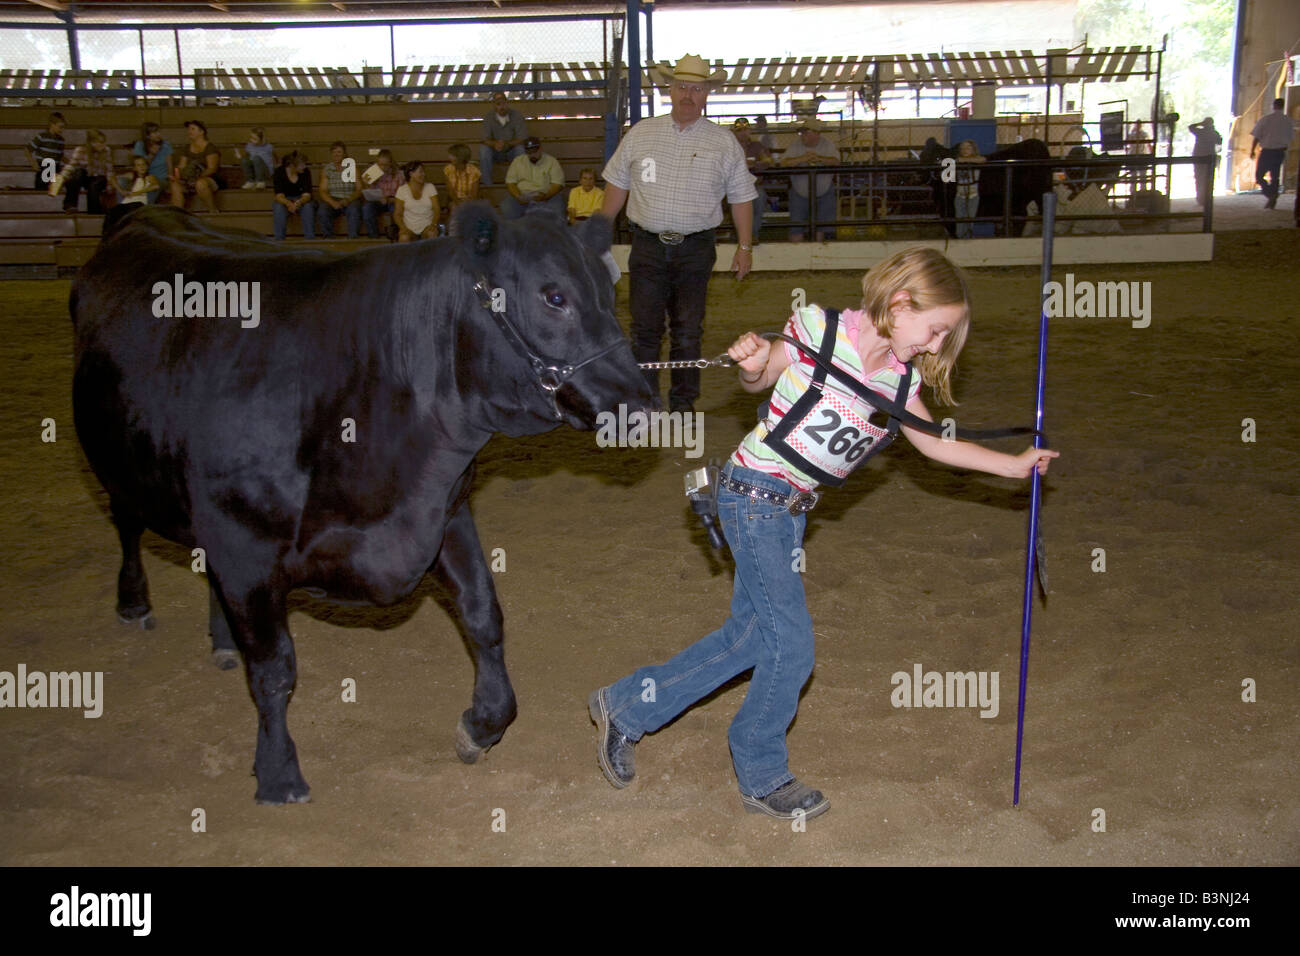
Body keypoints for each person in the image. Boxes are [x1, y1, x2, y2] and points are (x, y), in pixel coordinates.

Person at [588, 247, 1059, 820]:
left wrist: (1011, 465)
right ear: (901, 303)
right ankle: (761, 770)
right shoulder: (820, 329)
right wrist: (752, 359)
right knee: (793, 646)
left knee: (751, 639)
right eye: (936, 330)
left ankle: (627, 705)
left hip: (790, 512)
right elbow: (760, 377)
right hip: (751, 495)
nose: (936, 346)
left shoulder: (896, 378)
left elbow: (935, 443)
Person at [600, 53, 757, 415]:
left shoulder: (724, 142)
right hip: (648, 245)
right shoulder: (641, 134)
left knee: (688, 330)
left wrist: (745, 246)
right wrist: (598, 233)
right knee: (644, 330)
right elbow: (617, 185)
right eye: (682, 86)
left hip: (696, 248)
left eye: (697, 89)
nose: (688, 94)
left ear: (707, 94)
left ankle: (683, 402)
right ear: (669, 89)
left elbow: (742, 196)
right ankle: (645, 401)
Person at [780, 118, 839, 242]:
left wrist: (819, 158)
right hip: (799, 191)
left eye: (806, 133)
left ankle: (820, 254)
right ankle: (796, 255)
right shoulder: (796, 145)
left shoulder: (827, 144)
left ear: (816, 133)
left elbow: (836, 161)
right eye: (802, 133)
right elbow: (784, 163)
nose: (803, 136)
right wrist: (802, 159)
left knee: (822, 227)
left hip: (824, 190)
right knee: (796, 226)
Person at [501, 136, 566, 219]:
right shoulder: (518, 161)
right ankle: (514, 230)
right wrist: (518, 196)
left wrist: (546, 196)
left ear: (540, 149)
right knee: (506, 206)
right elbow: (510, 182)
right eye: (529, 152)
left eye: (534, 152)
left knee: (558, 209)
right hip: (523, 197)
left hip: (547, 197)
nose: (532, 155)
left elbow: (558, 184)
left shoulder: (552, 161)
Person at [169, 119, 222, 213]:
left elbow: (212, 169)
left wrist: (196, 178)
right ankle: (178, 214)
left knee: (200, 184)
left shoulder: (210, 148)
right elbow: (181, 166)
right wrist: (178, 176)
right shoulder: (186, 148)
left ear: (201, 132)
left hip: (208, 179)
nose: (189, 131)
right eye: (189, 129)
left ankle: (213, 210)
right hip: (190, 180)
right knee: (175, 185)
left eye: (193, 129)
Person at [1250, 98, 1295, 209]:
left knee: (1259, 176)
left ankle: (1270, 195)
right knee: (1275, 177)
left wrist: (1252, 150)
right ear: (1283, 106)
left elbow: (1257, 136)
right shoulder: (1288, 121)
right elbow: (1290, 138)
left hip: (1267, 151)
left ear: (1273, 106)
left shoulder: (1266, 119)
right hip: (1280, 152)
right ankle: (1272, 199)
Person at [732, 118, 772, 239]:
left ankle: (751, 235)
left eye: (745, 130)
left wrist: (755, 164)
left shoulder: (757, 146)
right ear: (734, 132)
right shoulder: (729, 148)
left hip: (754, 185)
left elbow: (768, 160)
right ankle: (740, 235)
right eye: (739, 130)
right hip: (734, 186)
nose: (743, 133)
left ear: (750, 131)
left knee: (760, 198)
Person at [61, 129, 116, 214]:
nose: (103, 145)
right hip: (87, 177)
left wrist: (110, 185)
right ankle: (70, 205)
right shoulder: (81, 150)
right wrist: (61, 177)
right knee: (77, 173)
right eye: (100, 142)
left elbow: (109, 170)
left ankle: (93, 211)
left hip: (99, 178)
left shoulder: (106, 151)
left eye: (103, 142)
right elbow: (71, 166)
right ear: (92, 142)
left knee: (94, 186)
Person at [479, 92, 529, 186]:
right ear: (494, 105)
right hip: (495, 152)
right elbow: (485, 139)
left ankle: (521, 184)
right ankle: (487, 185)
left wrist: (506, 143)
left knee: (521, 150)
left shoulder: (517, 116)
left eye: (503, 103)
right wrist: (495, 144)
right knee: (484, 150)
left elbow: (522, 138)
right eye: (498, 104)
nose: (502, 107)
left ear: (507, 103)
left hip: (511, 151)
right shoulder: (488, 117)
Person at [317, 141, 363, 237]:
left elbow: (359, 189)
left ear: (345, 154)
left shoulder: (353, 168)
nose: (336, 155)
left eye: (339, 152)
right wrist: (332, 202)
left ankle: (353, 238)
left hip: (350, 199)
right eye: (334, 152)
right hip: (333, 198)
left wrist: (348, 200)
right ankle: (328, 238)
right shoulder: (327, 169)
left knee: (354, 209)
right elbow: (323, 191)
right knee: (323, 210)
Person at [271, 151, 316, 240]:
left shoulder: (306, 172)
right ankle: (279, 240)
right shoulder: (279, 172)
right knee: (278, 207)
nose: (304, 167)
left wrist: (298, 203)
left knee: (308, 207)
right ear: (292, 165)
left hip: (301, 199)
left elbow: (307, 195)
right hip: (285, 199)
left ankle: (310, 238)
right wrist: (289, 204)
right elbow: (279, 195)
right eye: (302, 165)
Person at [363, 148, 406, 239]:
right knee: (367, 208)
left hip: (393, 200)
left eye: (385, 165)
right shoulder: (373, 173)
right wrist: (367, 183)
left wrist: (389, 199)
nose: (383, 168)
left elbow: (403, 197)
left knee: (396, 209)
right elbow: (369, 191)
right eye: (380, 165)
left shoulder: (399, 174)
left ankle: (396, 235)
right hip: (378, 200)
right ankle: (373, 236)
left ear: (390, 163)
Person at [394, 160, 439, 241]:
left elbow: (436, 209)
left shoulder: (430, 187)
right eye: (420, 172)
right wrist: (403, 228)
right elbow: (397, 214)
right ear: (411, 174)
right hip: (409, 228)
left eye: (424, 172)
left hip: (427, 227)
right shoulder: (402, 190)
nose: (424, 174)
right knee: (404, 237)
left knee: (432, 234)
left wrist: (433, 224)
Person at [442, 143, 481, 233]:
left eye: (452, 155)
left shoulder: (474, 171)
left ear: (460, 157)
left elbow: (474, 194)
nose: (449, 157)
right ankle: (453, 236)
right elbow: (450, 191)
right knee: (454, 208)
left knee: (469, 210)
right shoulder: (448, 169)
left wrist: (465, 203)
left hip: (470, 200)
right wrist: (458, 202)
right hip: (454, 200)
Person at [953, 139, 986, 238]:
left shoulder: (977, 160)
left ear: (973, 149)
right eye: (962, 148)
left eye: (968, 147)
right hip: (960, 194)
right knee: (959, 220)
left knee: (970, 220)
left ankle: (968, 238)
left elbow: (983, 160)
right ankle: (960, 238)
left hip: (973, 194)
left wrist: (963, 160)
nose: (965, 150)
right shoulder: (957, 161)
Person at [131, 122, 172, 204]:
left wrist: (170, 182)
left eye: (158, 132)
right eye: (155, 132)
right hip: (143, 177)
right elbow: (140, 166)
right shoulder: (140, 145)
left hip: (160, 178)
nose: (158, 134)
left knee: (152, 186)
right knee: (121, 181)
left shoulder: (165, 145)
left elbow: (169, 165)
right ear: (147, 135)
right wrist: (151, 155)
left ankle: (146, 208)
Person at [25, 111, 66, 191]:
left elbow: (60, 156)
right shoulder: (42, 137)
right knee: (42, 186)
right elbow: (27, 150)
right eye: (60, 127)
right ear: (52, 124)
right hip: (45, 166)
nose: (62, 129)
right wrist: (33, 163)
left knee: (56, 186)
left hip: (56, 167)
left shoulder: (61, 140)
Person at [1188, 117, 1221, 208]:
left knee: (1199, 178)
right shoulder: (1214, 133)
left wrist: (1200, 123)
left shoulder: (1200, 132)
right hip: (1209, 157)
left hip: (1198, 157)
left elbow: (1190, 127)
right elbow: (1219, 142)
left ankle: (1200, 198)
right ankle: (1207, 198)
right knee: (1209, 179)